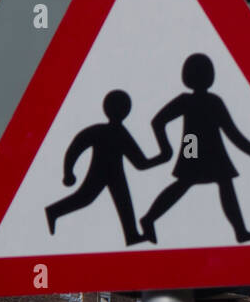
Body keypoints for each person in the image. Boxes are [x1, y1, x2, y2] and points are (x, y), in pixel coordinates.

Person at [138, 53, 250, 244]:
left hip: (206, 147)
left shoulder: (206, 101)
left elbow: (232, 132)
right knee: (188, 183)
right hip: (195, 146)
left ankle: (240, 231)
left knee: (220, 184)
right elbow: (158, 122)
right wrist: (167, 148)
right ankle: (149, 218)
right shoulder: (199, 101)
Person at [45, 90, 164, 244]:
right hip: (101, 173)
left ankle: (131, 234)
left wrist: (162, 158)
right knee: (85, 198)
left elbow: (140, 163)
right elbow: (77, 146)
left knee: (123, 202)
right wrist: (68, 172)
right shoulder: (109, 131)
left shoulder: (115, 132)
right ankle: (53, 211)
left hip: (115, 174)